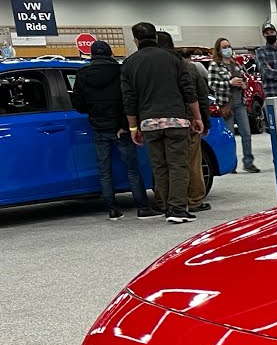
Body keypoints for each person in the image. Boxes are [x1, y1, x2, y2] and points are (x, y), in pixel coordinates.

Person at [122, 22, 201, 224]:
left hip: (149, 122)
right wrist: (197, 117)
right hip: (176, 119)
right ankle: (177, 210)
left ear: (135, 40)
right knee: (178, 166)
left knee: (159, 167)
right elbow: (188, 90)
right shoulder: (173, 58)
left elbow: (129, 99)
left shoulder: (129, 63)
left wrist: (133, 127)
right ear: (155, 38)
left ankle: (166, 207)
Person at [71, 41, 158, 220]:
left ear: (91, 55)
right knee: (132, 169)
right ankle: (142, 207)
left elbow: (78, 105)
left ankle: (112, 209)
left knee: (104, 170)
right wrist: (125, 125)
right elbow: (128, 99)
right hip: (121, 128)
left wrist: (95, 115)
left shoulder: (82, 74)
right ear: (110, 53)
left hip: (98, 127)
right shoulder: (120, 71)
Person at [158, 32, 211, 213]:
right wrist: (204, 120)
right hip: (187, 120)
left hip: (157, 122)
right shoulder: (188, 67)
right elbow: (201, 95)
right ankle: (194, 199)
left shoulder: (152, 67)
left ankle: (165, 201)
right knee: (192, 161)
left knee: (163, 164)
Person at [208, 37, 259, 173]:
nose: (227, 49)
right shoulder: (215, 65)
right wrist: (229, 83)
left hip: (240, 104)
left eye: (228, 46)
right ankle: (231, 165)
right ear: (218, 50)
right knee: (229, 137)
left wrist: (243, 84)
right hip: (226, 105)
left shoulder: (236, 63)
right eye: (224, 47)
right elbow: (212, 84)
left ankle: (248, 163)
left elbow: (246, 80)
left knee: (246, 134)